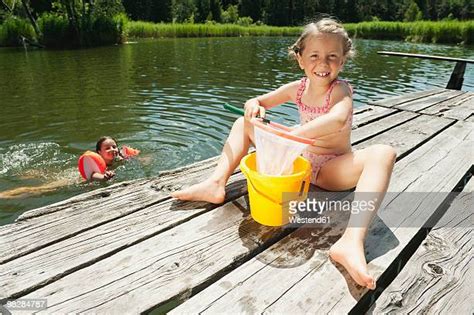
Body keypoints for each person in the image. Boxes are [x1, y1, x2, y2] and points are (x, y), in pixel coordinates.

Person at [172, 18, 396, 290]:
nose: (323, 64)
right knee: (244, 123)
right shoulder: (297, 89)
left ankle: (351, 242)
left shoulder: (341, 90)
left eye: (332, 57)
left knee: (383, 153)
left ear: (343, 60)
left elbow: (337, 119)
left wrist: (292, 136)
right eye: (314, 56)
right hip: (298, 162)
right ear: (300, 59)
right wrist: (253, 107)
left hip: (331, 170)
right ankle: (216, 183)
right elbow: (257, 102)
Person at [0, 137, 139, 198]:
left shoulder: (118, 159)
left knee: (46, 175)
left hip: (75, 172)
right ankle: (6, 194)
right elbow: (92, 175)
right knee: (43, 189)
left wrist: (139, 157)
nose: (112, 149)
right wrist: (103, 177)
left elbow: (138, 155)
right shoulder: (95, 163)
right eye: (107, 148)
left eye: (114, 146)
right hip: (76, 178)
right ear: (99, 153)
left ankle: (28, 174)